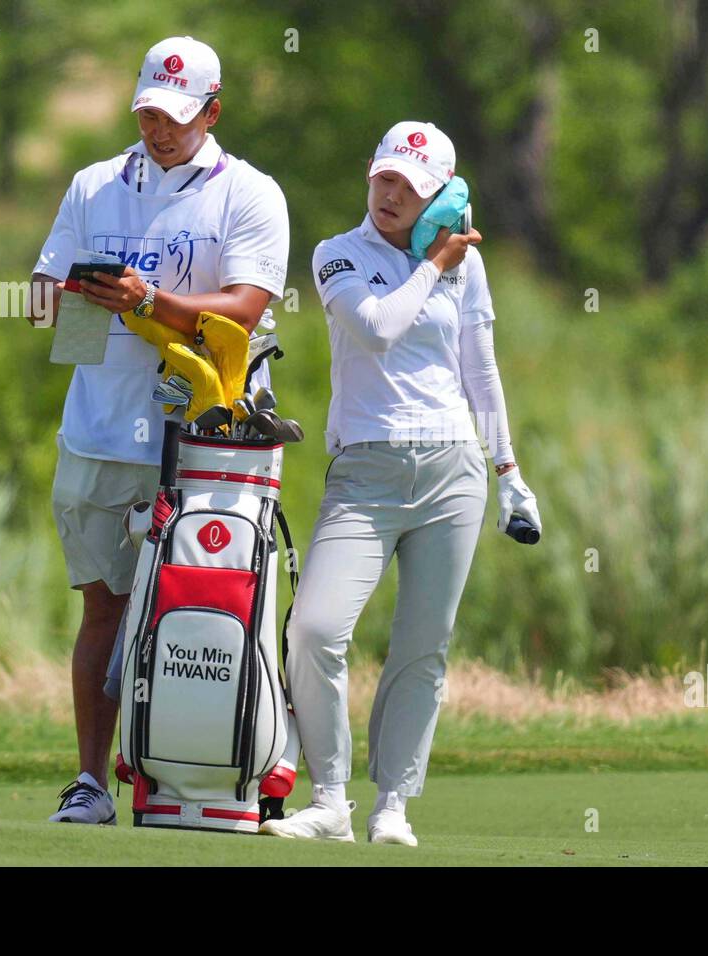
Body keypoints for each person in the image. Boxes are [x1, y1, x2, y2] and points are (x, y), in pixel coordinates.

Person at [27, 36, 289, 824]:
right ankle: (90, 783)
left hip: (209, 442)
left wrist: (148, 303)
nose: (159, 129)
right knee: (103, 611)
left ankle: (232, 773)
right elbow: (42, 294)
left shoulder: (249, 192)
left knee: (224, 603)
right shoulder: (93, 184)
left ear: (212, 110)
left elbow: (245, 307)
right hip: (99, 431)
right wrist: (72, 293)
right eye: (148, 113)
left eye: (176, 116)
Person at [260, 121, 541, 846]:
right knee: (315, 629)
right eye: (383, 178)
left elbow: (480, 368)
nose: (389, 195)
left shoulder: (465, 268)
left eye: (409, 188)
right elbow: (379, 327)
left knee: (423, 646)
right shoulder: (336, 256)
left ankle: (393, 806)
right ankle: (329, 800)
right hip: (367, 470)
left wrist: (510, 472)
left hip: (453, 470)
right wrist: (434, 261)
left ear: (439, 197)